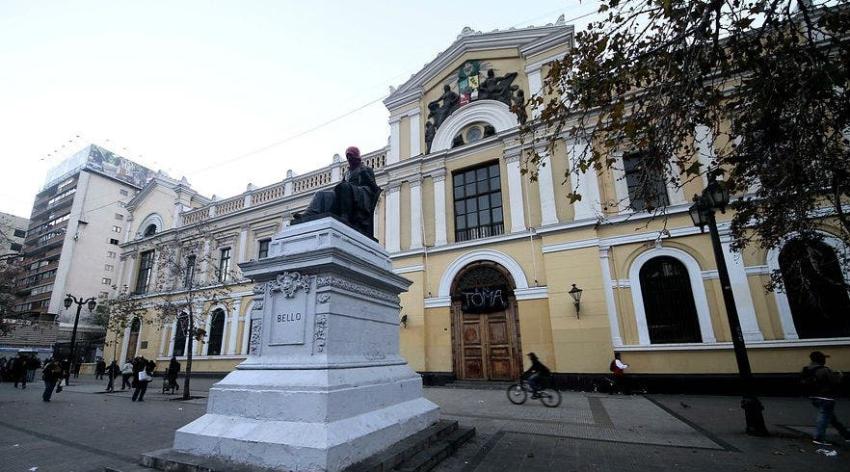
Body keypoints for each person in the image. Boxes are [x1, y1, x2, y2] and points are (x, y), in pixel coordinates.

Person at [801, 351, 850, 446]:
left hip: (814, 397)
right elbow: (834, 381)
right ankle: (819, 438)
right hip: (826, 397)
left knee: (831, 417)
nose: (825, 360)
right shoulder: (824, 370)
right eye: (823, 358)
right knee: (824, 417)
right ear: (820, 359)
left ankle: (846, 435)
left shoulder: (807, 369)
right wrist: (840, 376)